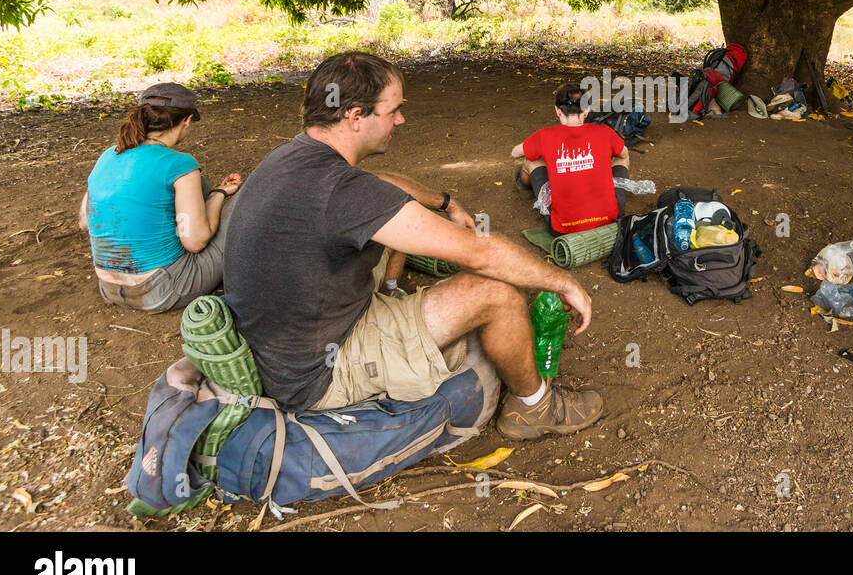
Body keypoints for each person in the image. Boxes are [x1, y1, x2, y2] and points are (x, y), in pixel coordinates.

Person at [223, 51, 603, 441]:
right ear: (355, 116)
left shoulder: (297, 157)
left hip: (281, 347)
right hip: (320, 373)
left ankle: (394, 300)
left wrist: (446, 203)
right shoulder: (342, 193)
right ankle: (535, 407)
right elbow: (480, 252)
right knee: (497, 292)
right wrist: (563, 283)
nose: (401, 120)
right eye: (392, 111)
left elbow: (382, 185)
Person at [77, 83, 243, 312]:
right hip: (163, 289)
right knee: (242, 202)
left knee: (198, 186)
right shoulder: (179, 163)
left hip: (109, 287)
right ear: (186, 122)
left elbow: (85, 222)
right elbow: (194, 242)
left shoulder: (109, 155)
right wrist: (219, 195)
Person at [511, 84, 630, 235]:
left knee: (531, 161)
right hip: (609, 220)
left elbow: (515, 153)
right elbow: (624, 153)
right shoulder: (605, 132)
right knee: (621, 159)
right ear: (587, 110)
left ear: (557, 110)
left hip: (564, 228)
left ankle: (523, 185)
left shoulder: (544, 135)